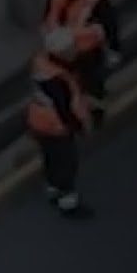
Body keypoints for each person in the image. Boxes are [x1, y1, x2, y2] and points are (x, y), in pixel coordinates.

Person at [41, 0, 121, 127]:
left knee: (91, 81)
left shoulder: (97, 0)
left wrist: (114, 48)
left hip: (87, 50)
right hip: (61, 47)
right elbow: (49, 16)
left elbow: (110, 24)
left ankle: (97, 113)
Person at [26, 28, 94, 218]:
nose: (74, 51)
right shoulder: (57, 79)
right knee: (66, 162)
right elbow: (64, 110)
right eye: (69, 49)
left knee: (50, 158)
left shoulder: (42, 64)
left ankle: (53, 187)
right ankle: (67, 201)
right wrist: (80, 128)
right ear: (60, 54)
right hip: (55, 126)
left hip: (37, 120)